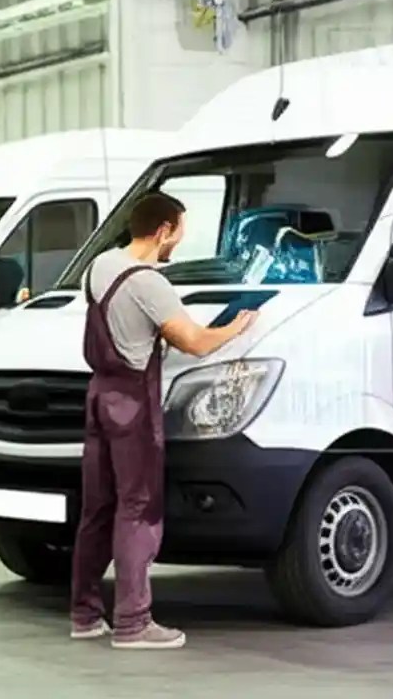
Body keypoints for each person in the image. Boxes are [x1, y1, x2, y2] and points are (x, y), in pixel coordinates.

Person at [70, 192, 257, 650]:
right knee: (138, 508)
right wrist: (237, 327)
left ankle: (85, 614)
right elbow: (193, 341)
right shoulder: (150, 282)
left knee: (97, 509)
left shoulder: (100, 265)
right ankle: (134, 623)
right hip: (132, 402)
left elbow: (124, 323)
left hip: (98, 395)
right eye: (178, 233)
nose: (178, 243)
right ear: (162, 231)